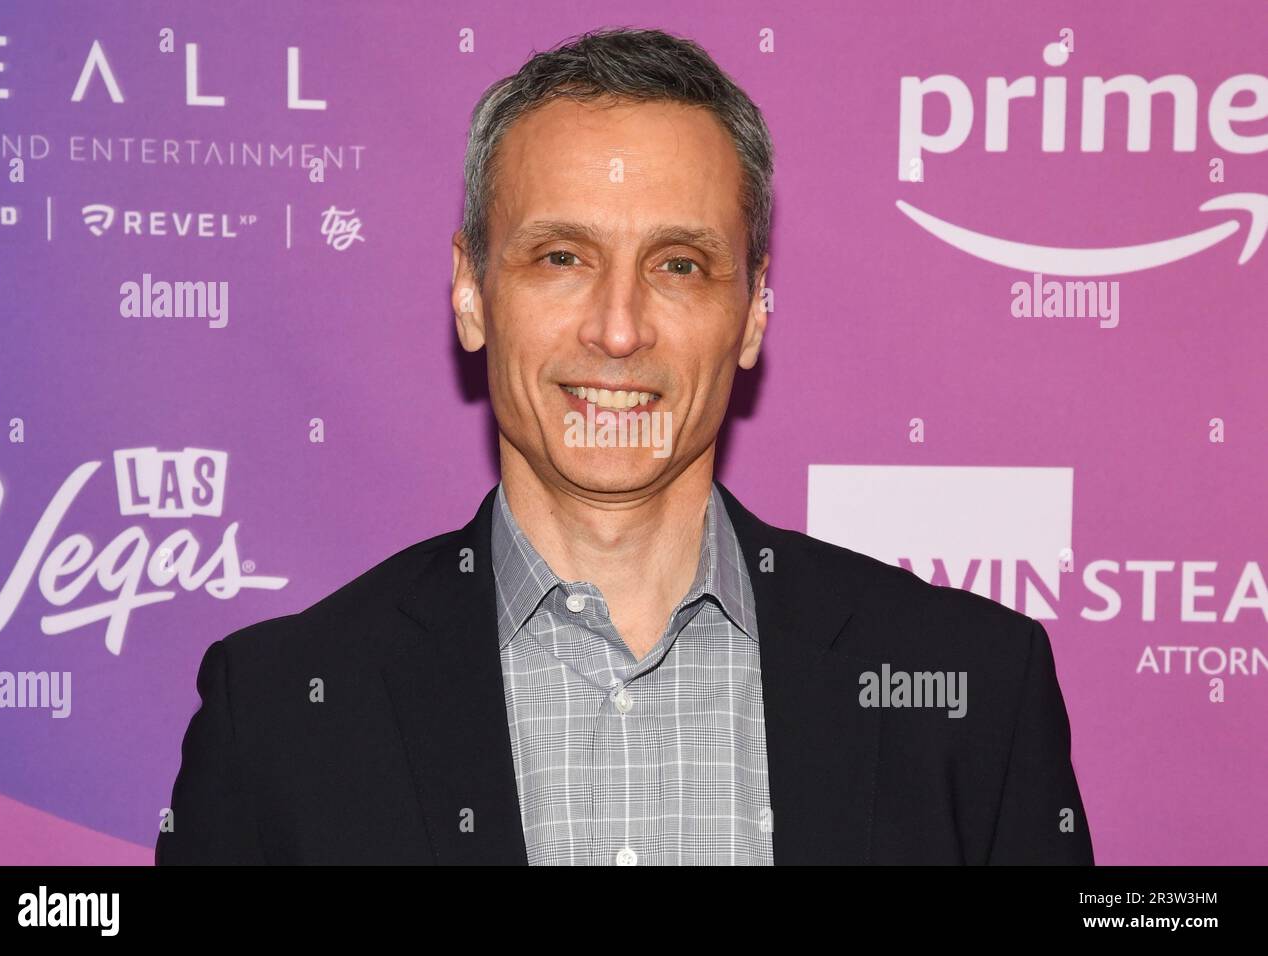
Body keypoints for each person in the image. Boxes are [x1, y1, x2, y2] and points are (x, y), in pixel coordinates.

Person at [157, 26, 1093, 865]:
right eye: (561, 257)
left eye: (678, 265)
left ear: (754, 309)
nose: (617, 329)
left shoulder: (970, 691)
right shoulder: (281, 714)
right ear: (471, 292)